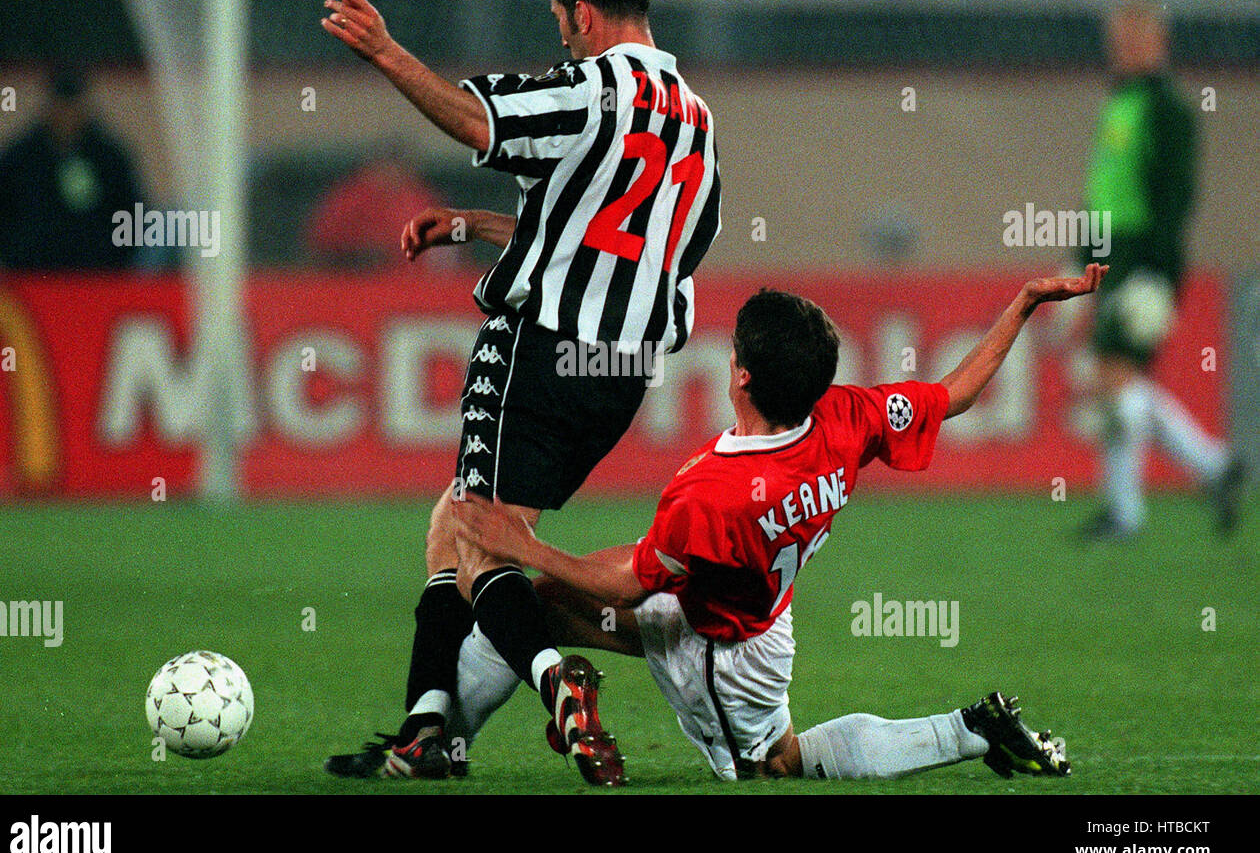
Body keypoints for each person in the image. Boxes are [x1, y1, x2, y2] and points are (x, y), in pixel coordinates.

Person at [449, 267, 1108, 782]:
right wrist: (1021, 305)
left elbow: (629, 587)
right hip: (738, 601)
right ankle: (444, 745)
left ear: (740, 374)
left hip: (720, 649)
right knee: (531, 612)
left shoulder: (713, 488)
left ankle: (969, 730)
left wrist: (526, 545)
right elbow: (957, 393)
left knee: (774, 767)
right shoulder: (847, 419)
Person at [320, 0, 721, 783]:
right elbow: (637, 245)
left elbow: (476, 121)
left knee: (478, 537)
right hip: (620, 373)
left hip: (536, 347)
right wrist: (476, 223)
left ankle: (557, 679)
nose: (563, 39)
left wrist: (387, 51)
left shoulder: (591, 84)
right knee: (459, 525)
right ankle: (426, 729)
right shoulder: (694, 117)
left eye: (559, 22)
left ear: (579, 13)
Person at [1074, 0, 1246, 542]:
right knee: (1115, 380)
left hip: (1143, 256)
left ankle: (1127, 511)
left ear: (1160, 44)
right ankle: (1215, 469)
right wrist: (1083, 255)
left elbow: (1175, 197)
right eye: (1120, 37)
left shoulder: (1167, 108)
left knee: (1116, 377)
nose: (1124, 47)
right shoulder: (1119, 102)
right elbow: (1106, 188)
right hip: (1113, 253)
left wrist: (1157, 270)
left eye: (1137, 38)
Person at [0, 65, 144, 270]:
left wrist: (112, 264)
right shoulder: (18, 158)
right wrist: (16, 259)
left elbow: (133, 216)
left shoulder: (109, 157)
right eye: (61, 105)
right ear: (49, 105)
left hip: (96, 279)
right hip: (33, 278)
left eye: (73, 106)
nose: (67, 114)